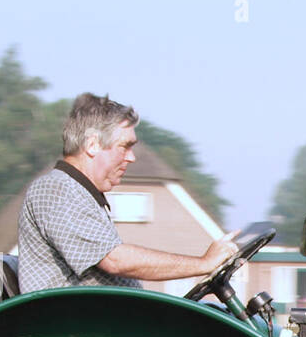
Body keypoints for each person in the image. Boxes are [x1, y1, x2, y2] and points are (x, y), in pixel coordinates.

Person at [16, 93, 238, 293]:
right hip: (74, 331)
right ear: (93, 145)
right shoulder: (57, 189)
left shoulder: (79, 193)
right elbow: (115, 260)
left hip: (99, 324)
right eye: (125, 146)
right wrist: (203, 264)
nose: (132, 157)